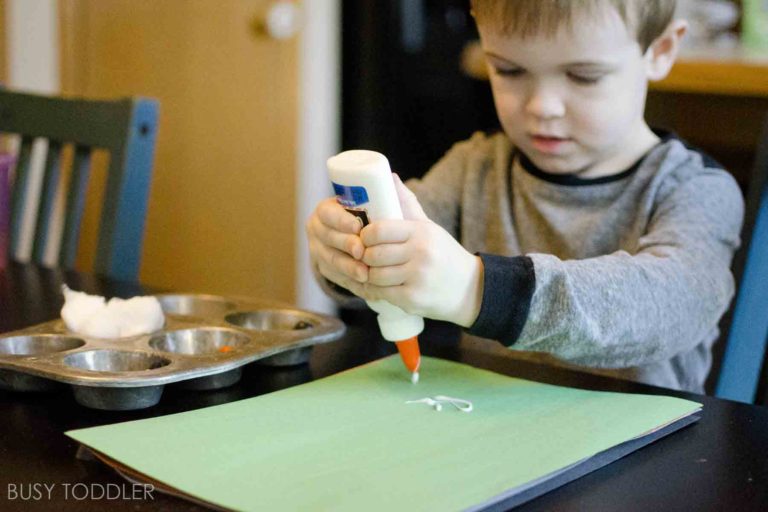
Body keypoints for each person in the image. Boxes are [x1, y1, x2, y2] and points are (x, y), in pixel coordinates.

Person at [305, 0, 744, 393]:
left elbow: (670, 306)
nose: (542, 106)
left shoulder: (696, 191)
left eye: (583, 76)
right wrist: (349, 256)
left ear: (661, 51)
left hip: (646, 462)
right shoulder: (472, 168)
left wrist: (477, 290)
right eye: (510, 70)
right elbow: (399, 254)